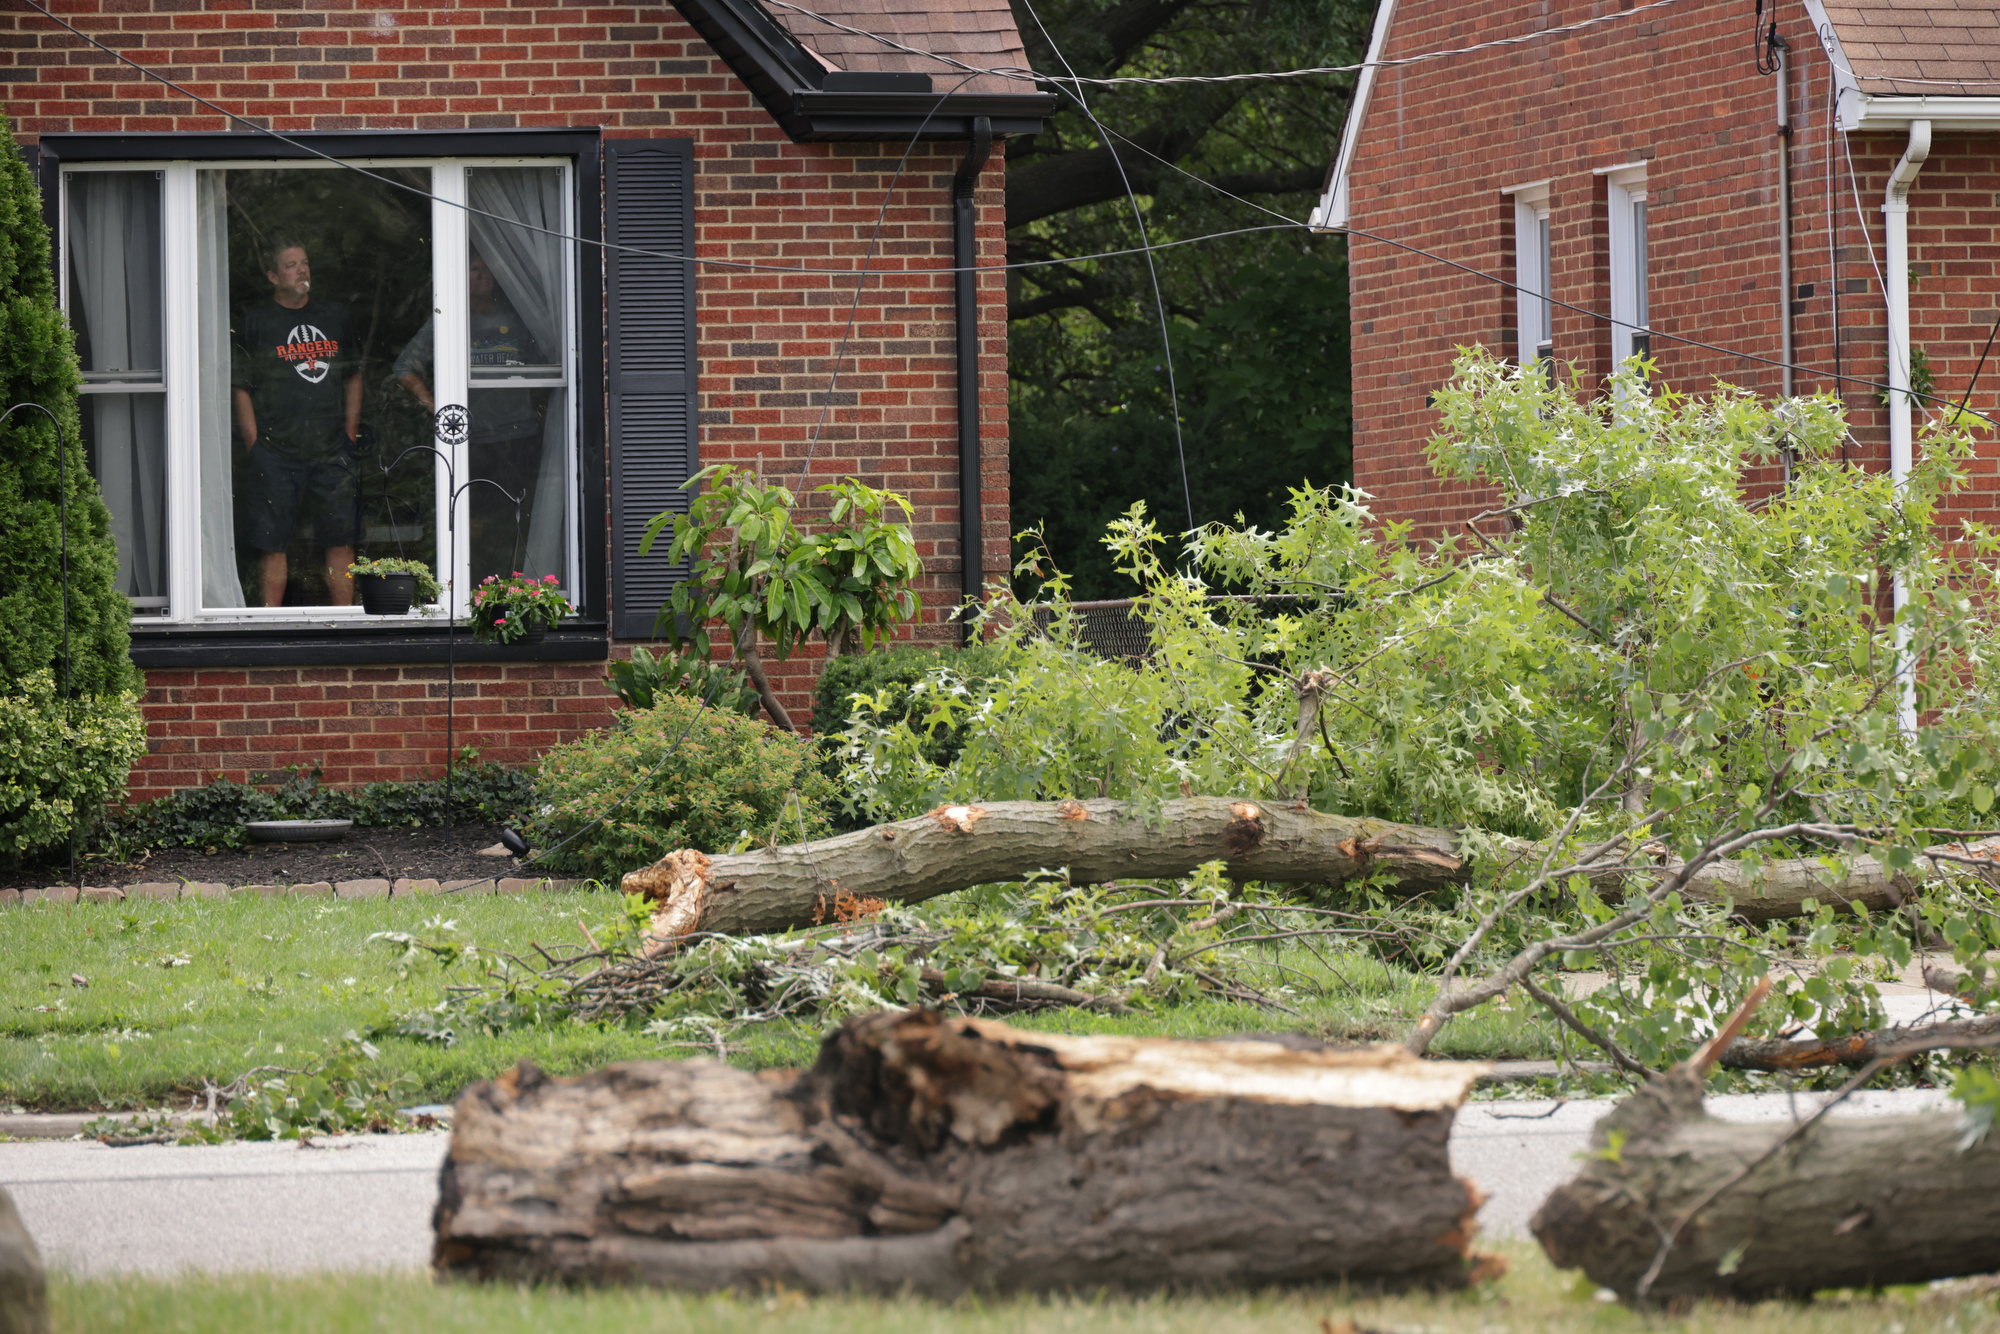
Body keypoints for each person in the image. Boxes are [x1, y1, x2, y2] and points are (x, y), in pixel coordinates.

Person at [393, 251, 547, 582]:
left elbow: (547, 367)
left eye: (488, 269)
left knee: (516, 517)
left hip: (517, 434)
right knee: (470, 519)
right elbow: (404, 366)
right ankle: (470, 585)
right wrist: (433, 403)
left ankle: (515, 583)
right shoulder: (449, 320)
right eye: (474, 269)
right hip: (471, 439)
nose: (483, 275)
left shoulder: (517, 319)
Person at [232, 238, 363, 607]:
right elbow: (240, 386)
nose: (302, 270)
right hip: (274, 451)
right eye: (291, 265)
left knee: (340, 540)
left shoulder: (334, 316)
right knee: (273, 542)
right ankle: (268, 626)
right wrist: (254, 445)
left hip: (331, 449)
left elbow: (354, 375)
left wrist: (349, 436)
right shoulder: (256, 322)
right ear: (273, 275)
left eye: (305, 262)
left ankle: (347, 625)